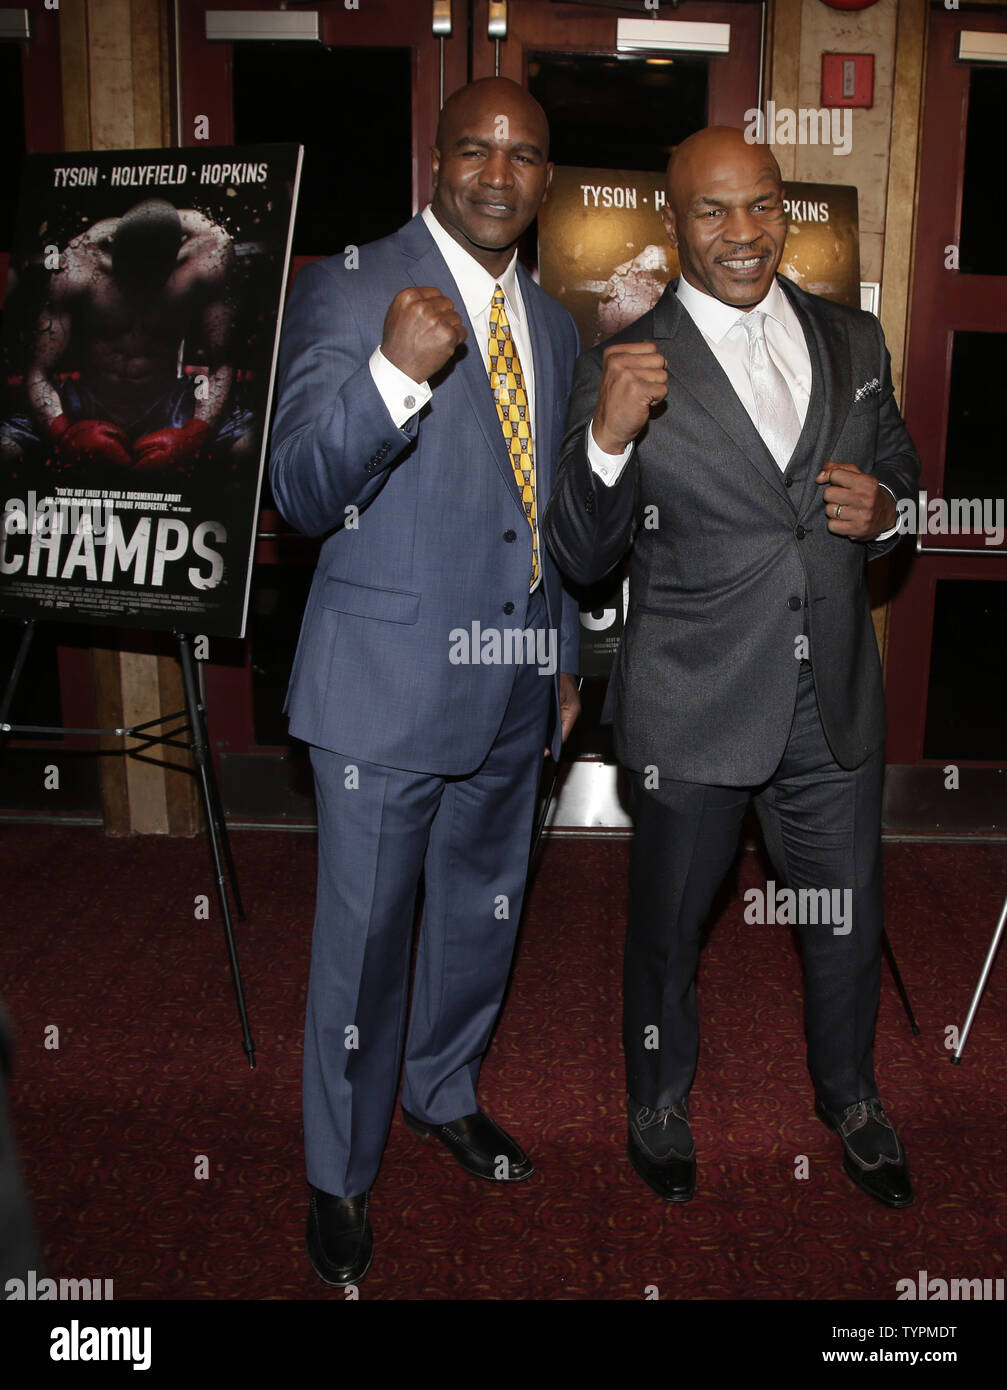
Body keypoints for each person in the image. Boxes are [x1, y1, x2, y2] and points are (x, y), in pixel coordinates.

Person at [543, 126, 920, 1210]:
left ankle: (848, 1096)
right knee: (666, 928)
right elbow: (577, 550)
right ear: (673, 225)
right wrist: (607, 443)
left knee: (844, 917)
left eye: (760, 205)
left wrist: (888, 511)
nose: (742, 232)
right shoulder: (623, 353)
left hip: (831, 700)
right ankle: (655, 1101)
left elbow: (893, 464)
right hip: (692, 701)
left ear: (784, 214)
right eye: (712, 211)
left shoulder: (853, 338)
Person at [269, 77, 581, 1286]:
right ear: (434, 161)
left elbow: (539, 516)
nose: (497, 172)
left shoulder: (551, 326)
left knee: (477, 920)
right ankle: (338, 1174)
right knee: (362, 944)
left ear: (546, 179)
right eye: (474, 148)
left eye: (523, 154)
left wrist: (556, 658)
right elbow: (298, 487)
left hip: (511, 688)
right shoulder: (347, 283)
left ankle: (442, 1091)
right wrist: (392, 381)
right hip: (381, 690)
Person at [1, 199, 250, 478]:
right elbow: (38, 369)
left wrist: (196, 433)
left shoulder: (209, 255)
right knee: (6, 446)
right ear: (113, 253)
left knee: (248, 445)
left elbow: (223, 362)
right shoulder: (77, 264)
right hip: (87, 400)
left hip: (167, 399)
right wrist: (62, 431)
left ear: (175, 257)